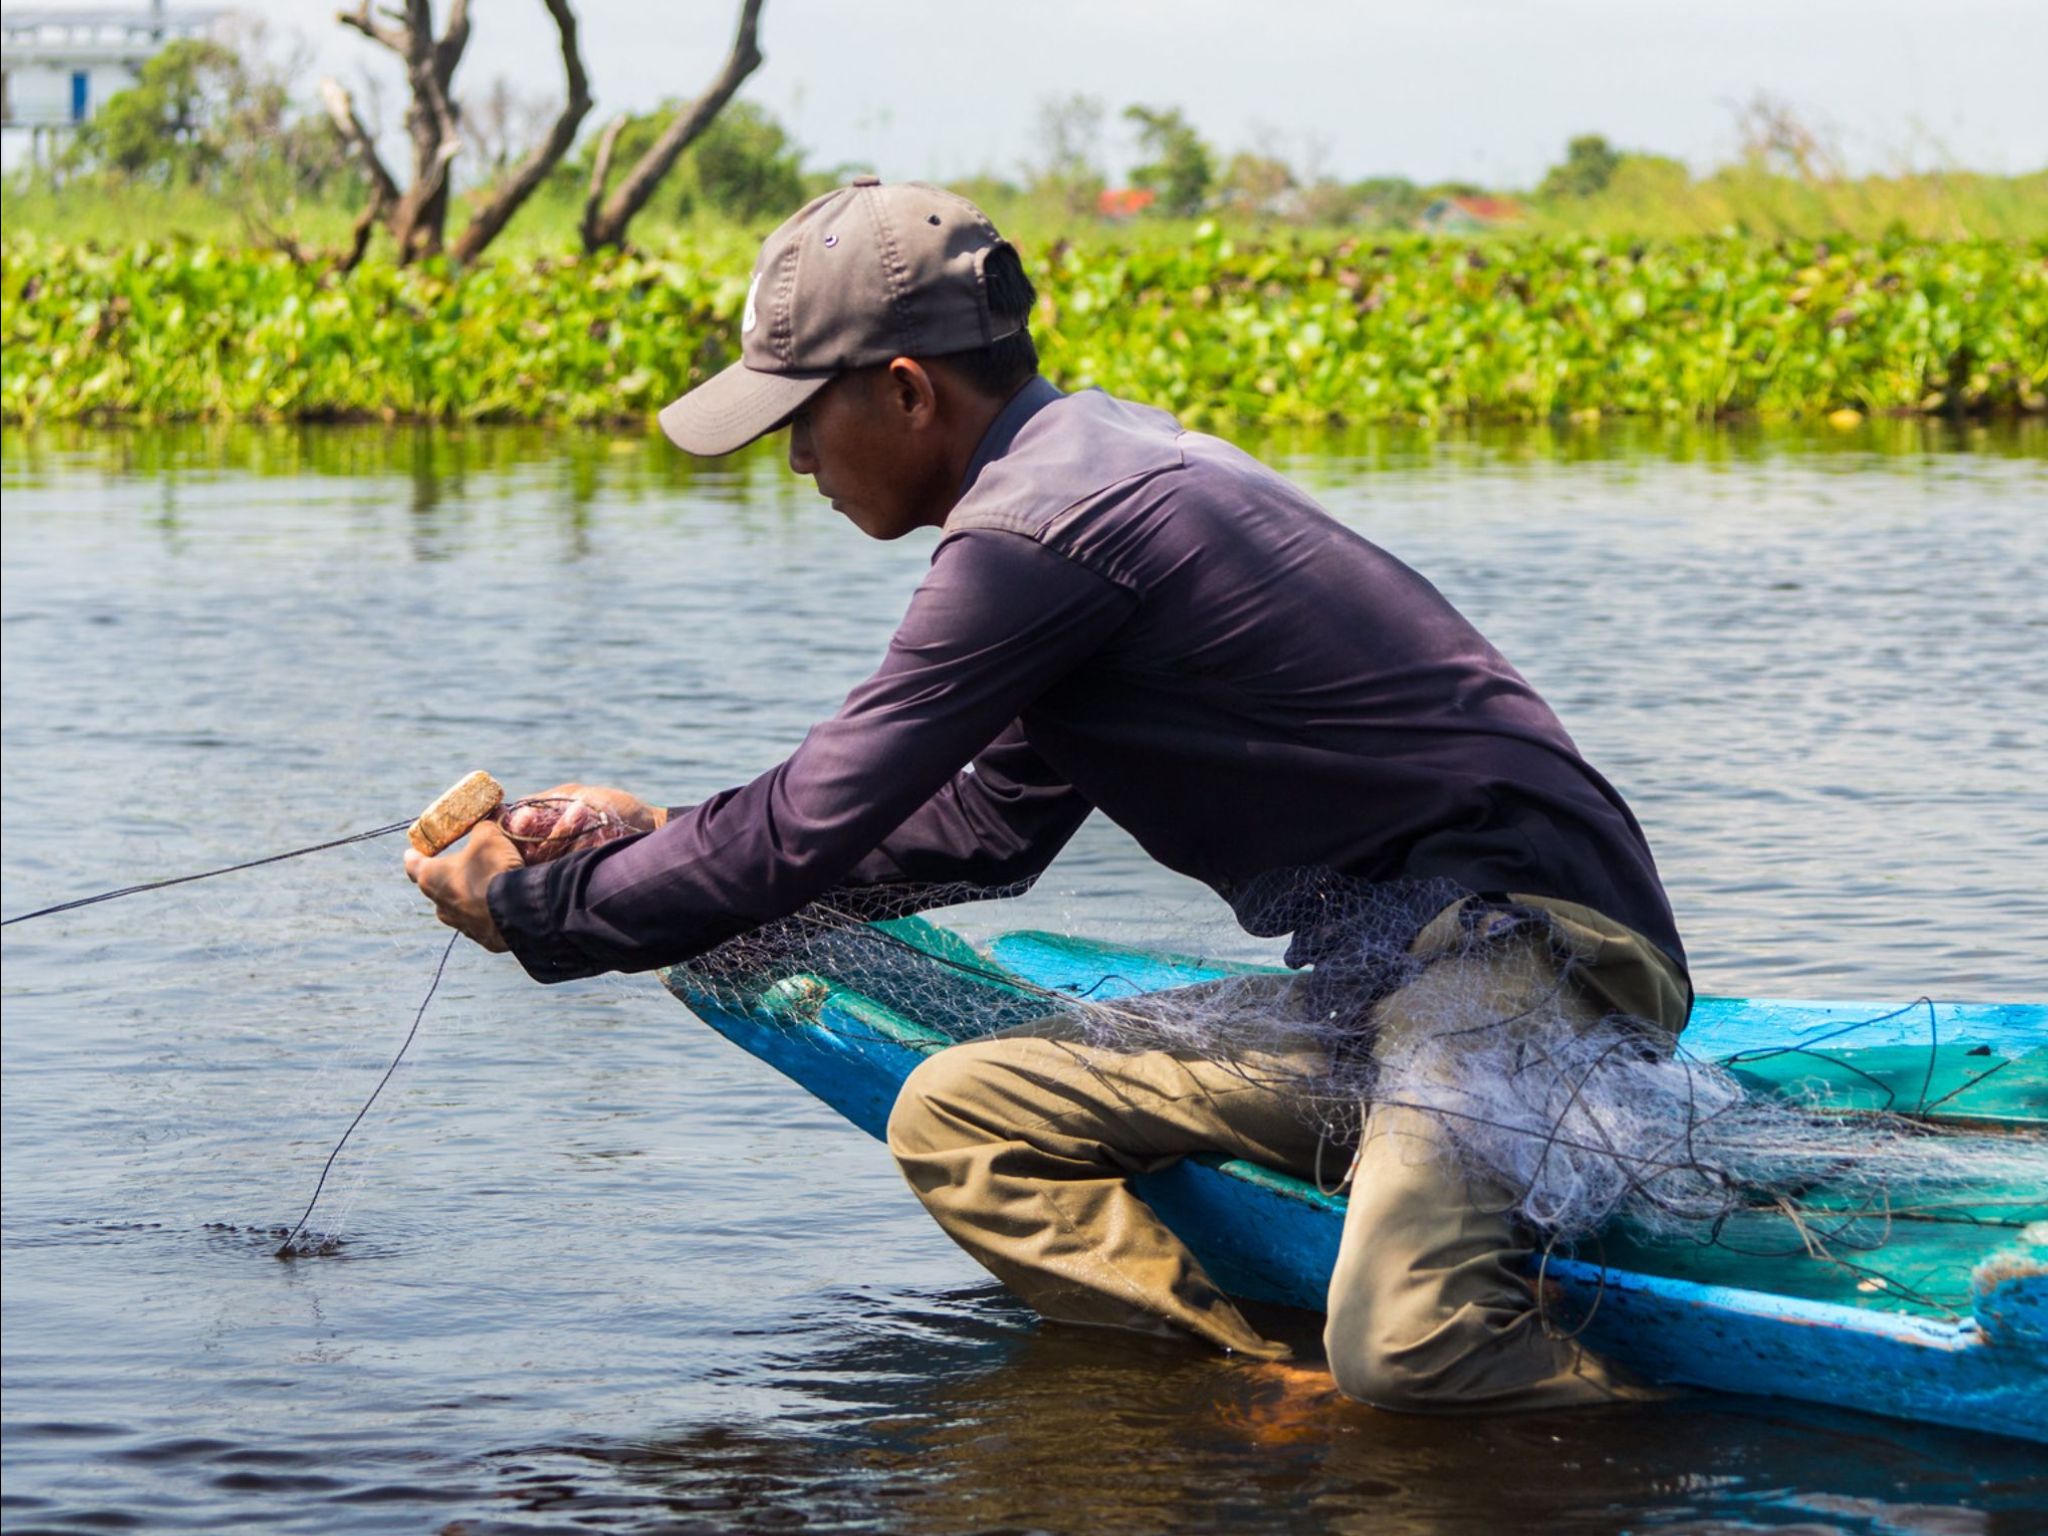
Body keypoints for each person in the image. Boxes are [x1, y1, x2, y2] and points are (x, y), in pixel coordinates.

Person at [406, 177, 1691, 1412]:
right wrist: (661, 841)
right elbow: (981, 825)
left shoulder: (1040, 532)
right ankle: (1250, 1390)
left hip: (1530, 961)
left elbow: (811, 818)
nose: (793, 459)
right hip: (1378, 986)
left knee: (1410, 1347)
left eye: (800, 417)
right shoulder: (1086, 472)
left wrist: (542, 908)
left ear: (905, 390)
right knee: (960, 1111)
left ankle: (1663, 1470)